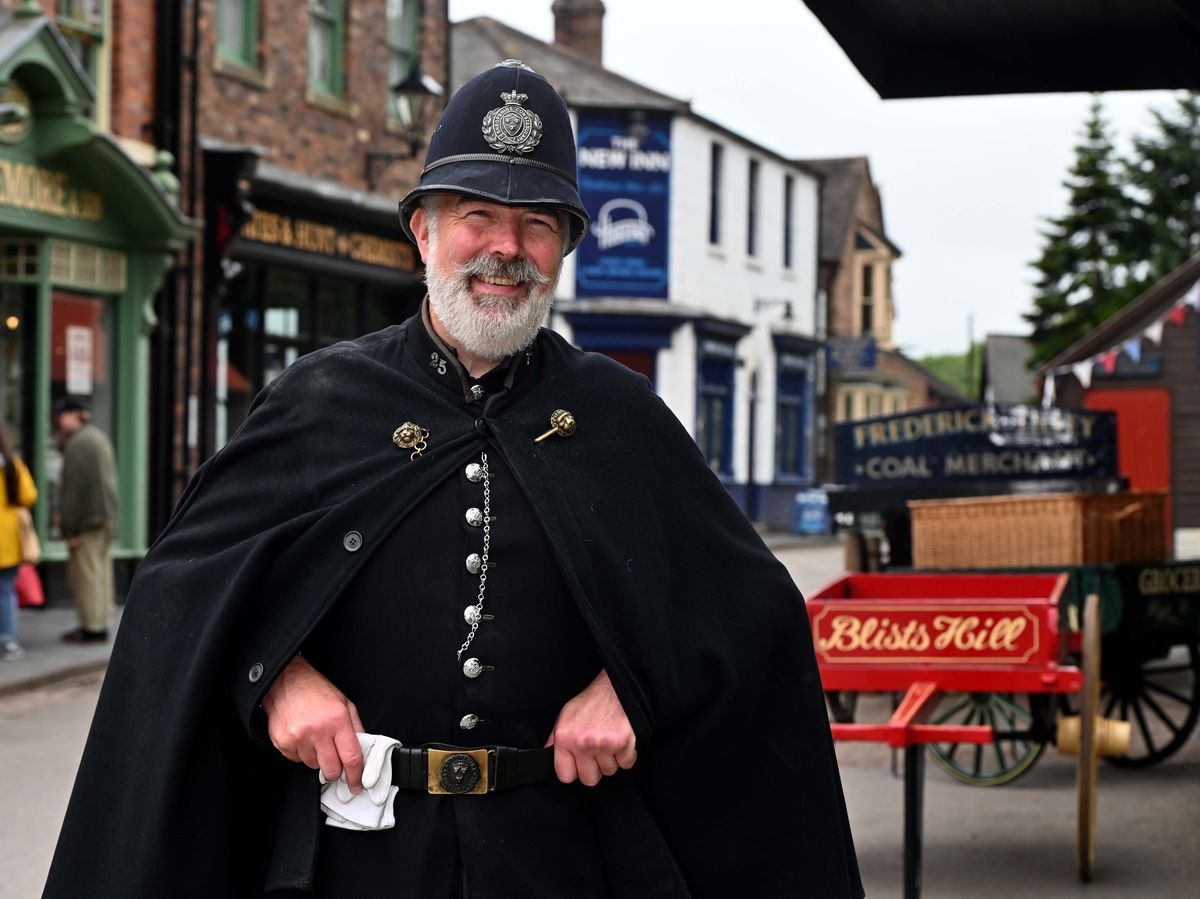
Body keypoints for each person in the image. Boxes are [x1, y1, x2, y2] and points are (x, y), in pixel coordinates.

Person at [45, 61, 862, 898]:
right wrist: (275, 678)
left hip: (561, 859)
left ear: (565, 247)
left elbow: (746, 609)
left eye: (537, 222)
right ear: (423, 232)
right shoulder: (323, 400)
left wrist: (635, 684)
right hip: (355, 863)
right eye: (478, 215)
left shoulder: (619, 416)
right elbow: (181, 591)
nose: (507, 248)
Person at [53, 397, 118, 643]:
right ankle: (100, 623)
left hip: (86, 520)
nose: (58, 422)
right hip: (105, 517)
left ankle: (91, 627)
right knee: (101, 574)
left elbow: (72, 491)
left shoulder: (77, 444)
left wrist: (69, 528)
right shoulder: (98, 438)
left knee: (87, 576)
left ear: (74, 415)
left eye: (61, 415)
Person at [0, 420, 37, 662]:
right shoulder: (12, 465)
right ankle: (8, 639)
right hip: (8, 540)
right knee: (6, 591)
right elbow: (29, 495)